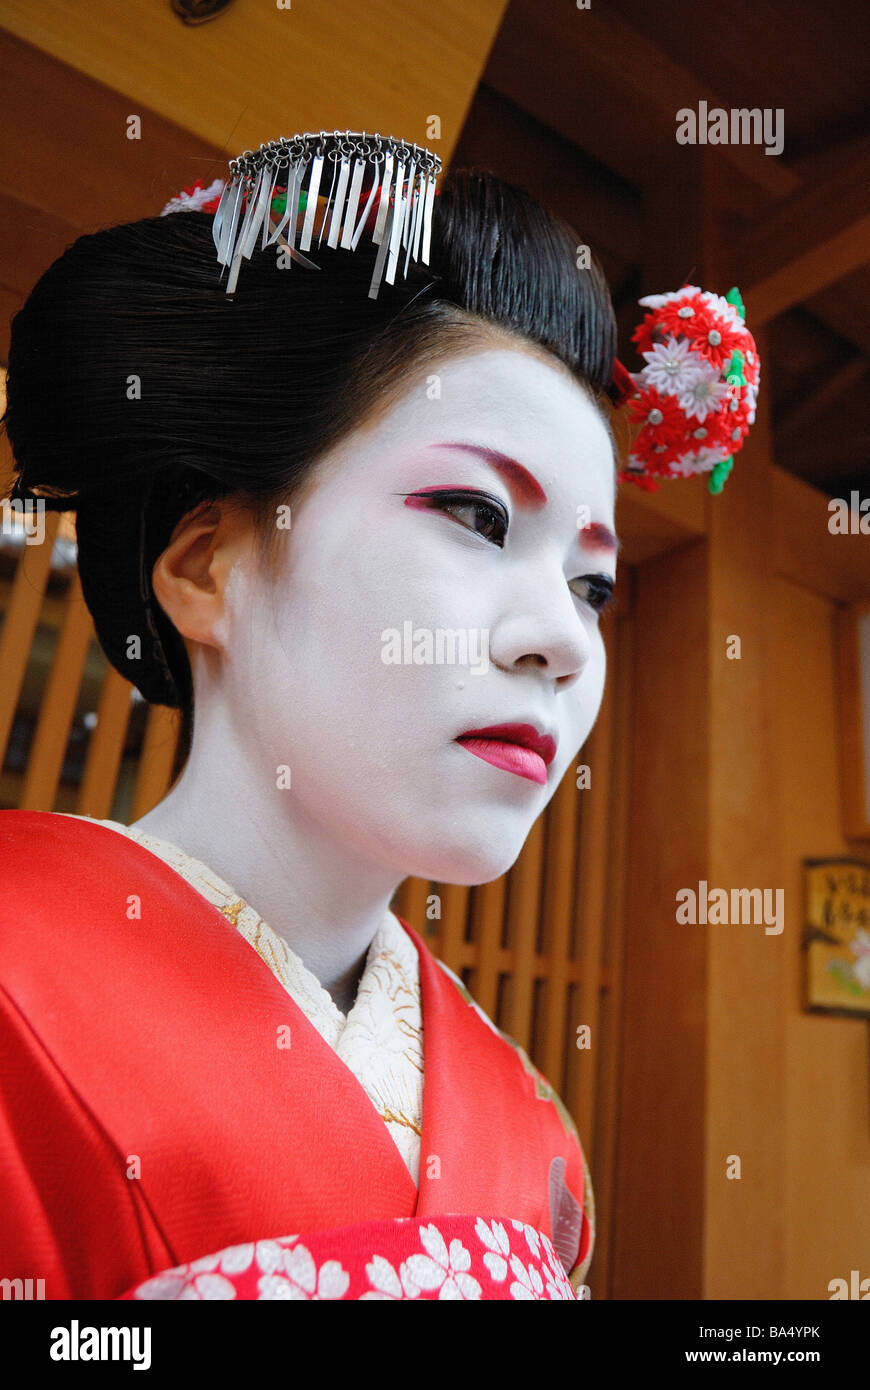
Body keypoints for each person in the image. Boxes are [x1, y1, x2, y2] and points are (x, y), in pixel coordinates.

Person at [0, 135, 620, 1300]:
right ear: (209, 566)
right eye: (477, 515)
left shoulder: (534, 1129)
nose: (564, 639)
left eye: (594, 587)